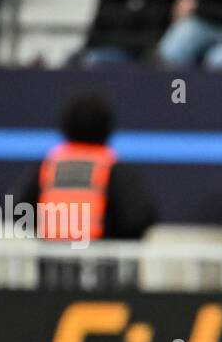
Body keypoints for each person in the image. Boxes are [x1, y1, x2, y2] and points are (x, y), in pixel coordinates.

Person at [12, 93, 157, 292]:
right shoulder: (113, 168)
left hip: (54, 279)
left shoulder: (48, 167)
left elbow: (19, 211)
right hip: (105, 281)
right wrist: (113, 238)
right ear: (107, 128)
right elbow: (137, 219)